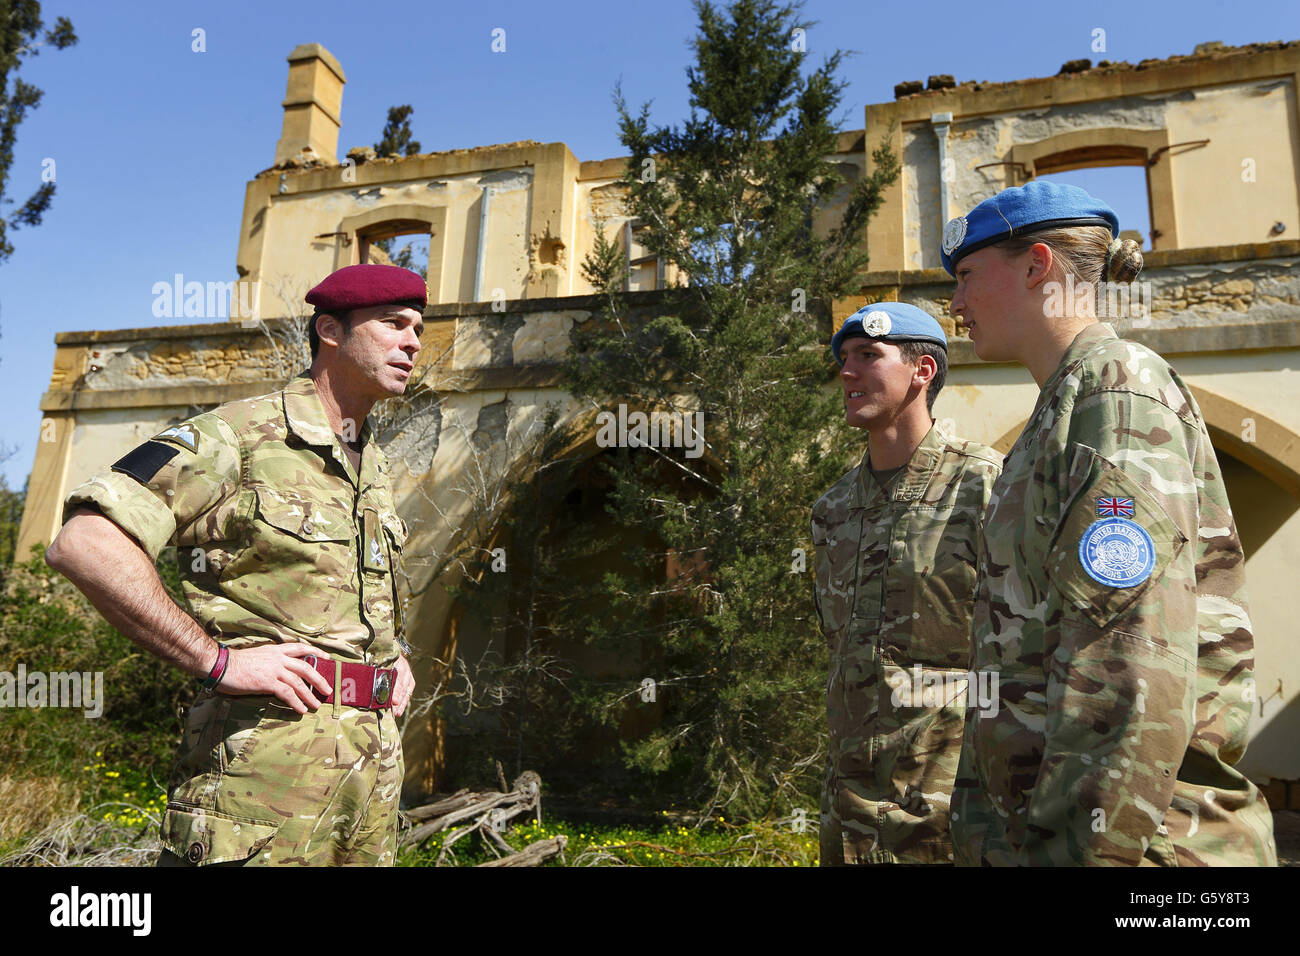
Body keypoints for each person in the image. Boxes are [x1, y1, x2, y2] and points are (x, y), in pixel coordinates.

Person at [45, 263, 427, 866]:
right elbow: (84, 543)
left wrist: (390, 655)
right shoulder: (239, 437)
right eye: (393, 323)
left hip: (367, 788)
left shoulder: (370, 462)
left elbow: (338, 590)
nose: (412, 341)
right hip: (259, 789)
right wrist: (213, 660)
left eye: (418, 329)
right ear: (330, 330)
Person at [942, 181, 1277, 866]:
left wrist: (1086, 851)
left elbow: (1129, 662)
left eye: (968, 277)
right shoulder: (1065, 405)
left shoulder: (1114, 394)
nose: (955, 305)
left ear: (1037, 265)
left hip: (1133, 848)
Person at [812, 301, 1001, 865]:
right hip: (849, 809)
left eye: (868, 355)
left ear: (923, 371)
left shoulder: (986, 485)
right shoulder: (833, 510)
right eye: (844, 358)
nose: (847, 372)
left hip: (955, 808)